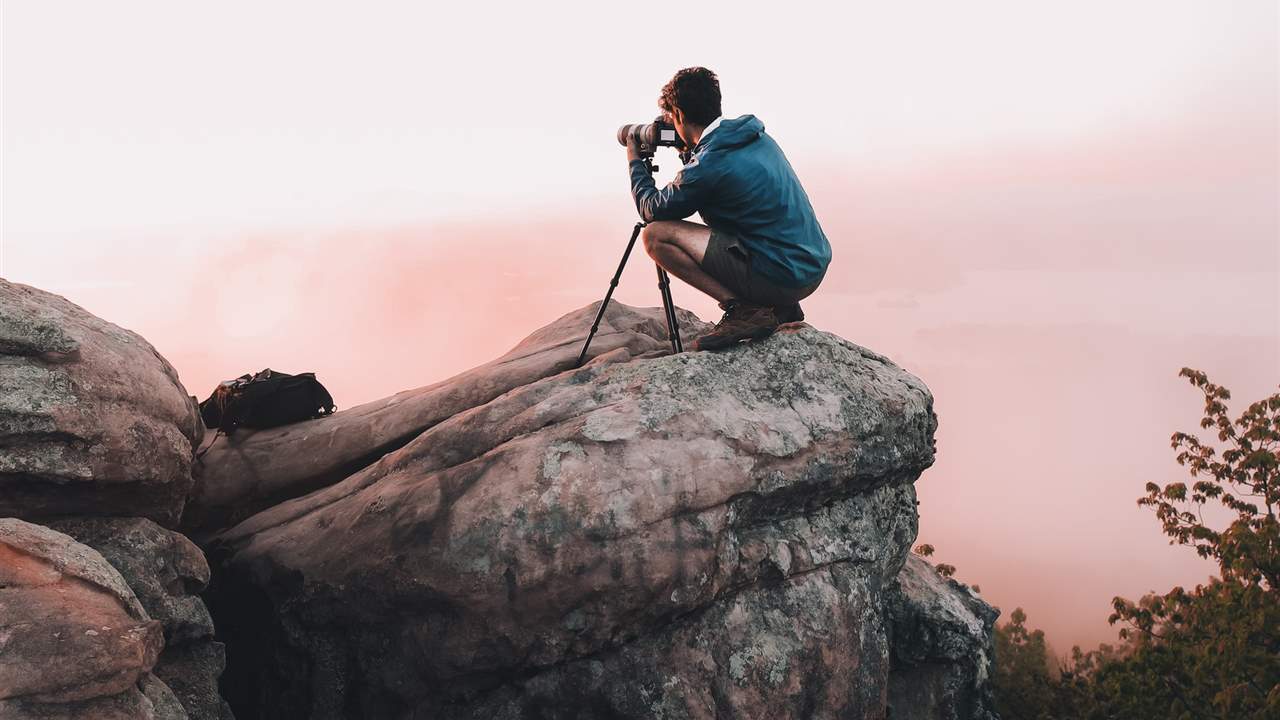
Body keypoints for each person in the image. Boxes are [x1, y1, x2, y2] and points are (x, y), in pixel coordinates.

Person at [625, 66, 832, 351]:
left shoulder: (710, 163)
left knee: (655, 235)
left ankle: (744, 310)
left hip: (782, 277)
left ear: (679, 115)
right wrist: (688, 151)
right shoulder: (753, 136)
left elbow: (652, 210)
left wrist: (635, 161)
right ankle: (779, 307)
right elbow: (716, 181)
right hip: (809, 267)